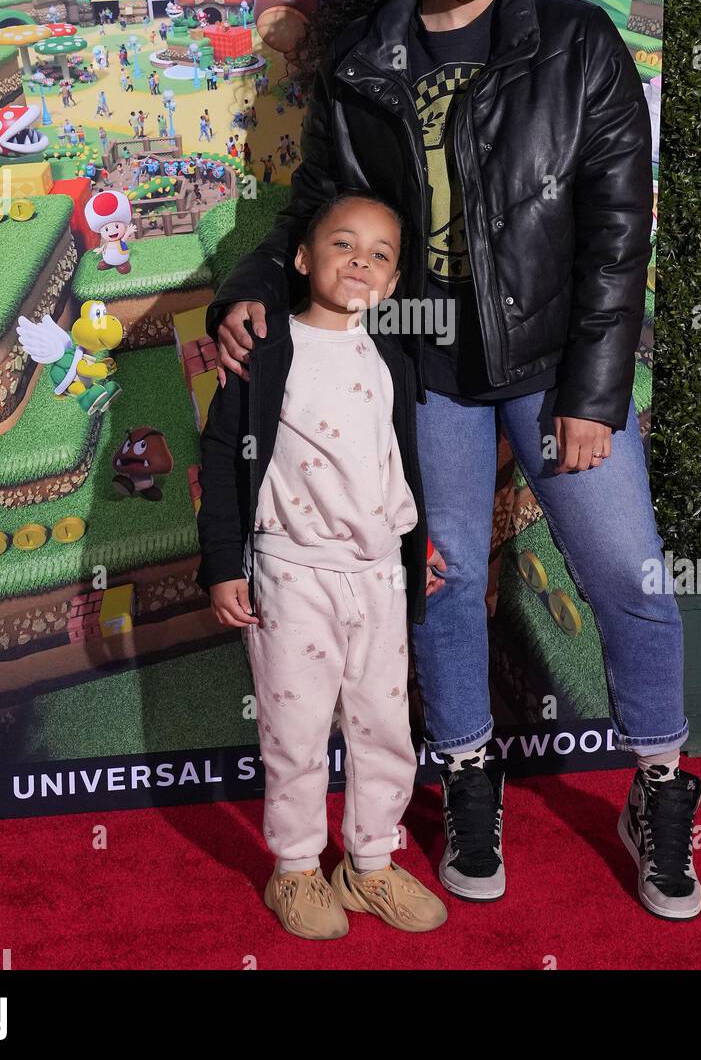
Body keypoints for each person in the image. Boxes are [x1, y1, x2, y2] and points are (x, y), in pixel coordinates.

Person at [205, 0, 701, 923]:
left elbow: (619, 235)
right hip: (421, 367)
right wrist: (250, 285)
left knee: (629, 571)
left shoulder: (576, 42)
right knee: (435, 580)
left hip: (555, 362)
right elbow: (318, 214)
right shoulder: (367, 56)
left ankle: (659, 786)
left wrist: (591, 393)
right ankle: (467, 776)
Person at [196, 193, 449, 941]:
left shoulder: (395, 355)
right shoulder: (265, 352)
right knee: (296, 732)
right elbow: (221, 454)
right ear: (302, 260)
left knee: (384, 729)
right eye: (343, 245)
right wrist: (221, 562)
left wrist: (414, 545)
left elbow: (396, 462)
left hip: (378, 577)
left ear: (394, 281)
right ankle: (297, 870)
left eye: (379, 254)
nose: (360, 262)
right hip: (291, 572)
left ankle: (369, 866)